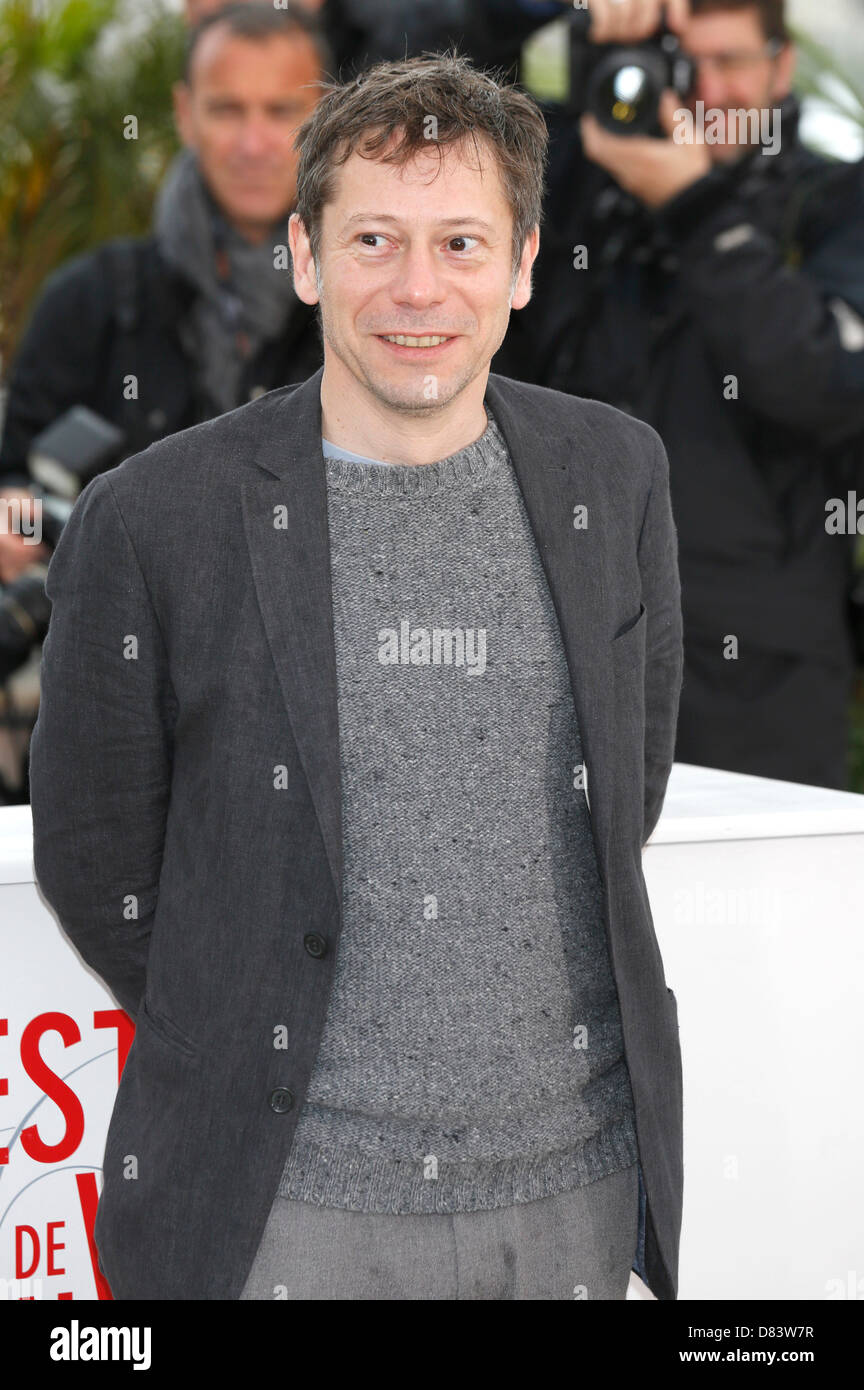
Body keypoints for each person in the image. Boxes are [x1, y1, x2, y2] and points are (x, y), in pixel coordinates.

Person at [28, 51, 684, 1301]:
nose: (418, 287)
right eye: (375, 238)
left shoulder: (619, 475)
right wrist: (245, 1008)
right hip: (277, 1208)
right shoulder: (155, 517)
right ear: (308, 257)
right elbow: (97, 852)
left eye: (462, 242)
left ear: (526, 264)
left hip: (581, 1197)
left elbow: (626, 785)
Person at [488, 0, 864, 790]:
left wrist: (695, 207)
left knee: (752, 907)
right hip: (555, 641)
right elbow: (414, 82)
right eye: (681, 62)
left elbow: (826, 384)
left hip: (762, 677)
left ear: (781, 64)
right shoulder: (572, 179)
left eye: (730, 62)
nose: (706, 92)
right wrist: (571, 16)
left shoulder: (833, 202)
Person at [0, 2, 329, 490]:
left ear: (326, 115)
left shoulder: (374, 298)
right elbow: (15, 478)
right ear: (184, 113)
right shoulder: (90, 299)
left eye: (281, 110)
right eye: (226, 109)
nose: (253, 144)